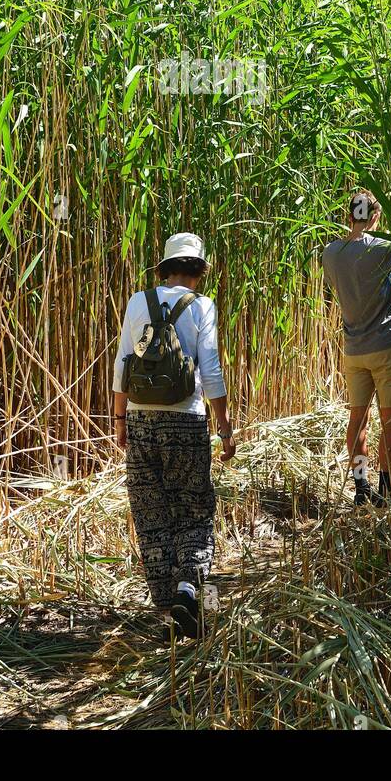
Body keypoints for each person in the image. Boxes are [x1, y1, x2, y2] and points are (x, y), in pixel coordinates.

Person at [113, 232, 236, 638]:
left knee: (151, 511)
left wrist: (119, 422)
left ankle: (169, 608)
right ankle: (189, 590)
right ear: (198, 270)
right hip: (185, 420)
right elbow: (211, 370)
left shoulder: (136, 302)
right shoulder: (201, 306)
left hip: (141, 420)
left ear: (164, 267)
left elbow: (122, 364)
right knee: (194, 508)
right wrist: (224, 426)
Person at [322, 189, 391, 507]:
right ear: (374, 217)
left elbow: (337, 285)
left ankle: (361, 489)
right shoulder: (386, 250)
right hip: (386, 346)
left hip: (354, 349)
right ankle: (385, 490)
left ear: (349, 216)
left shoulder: (331, 253)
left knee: (357, 420)